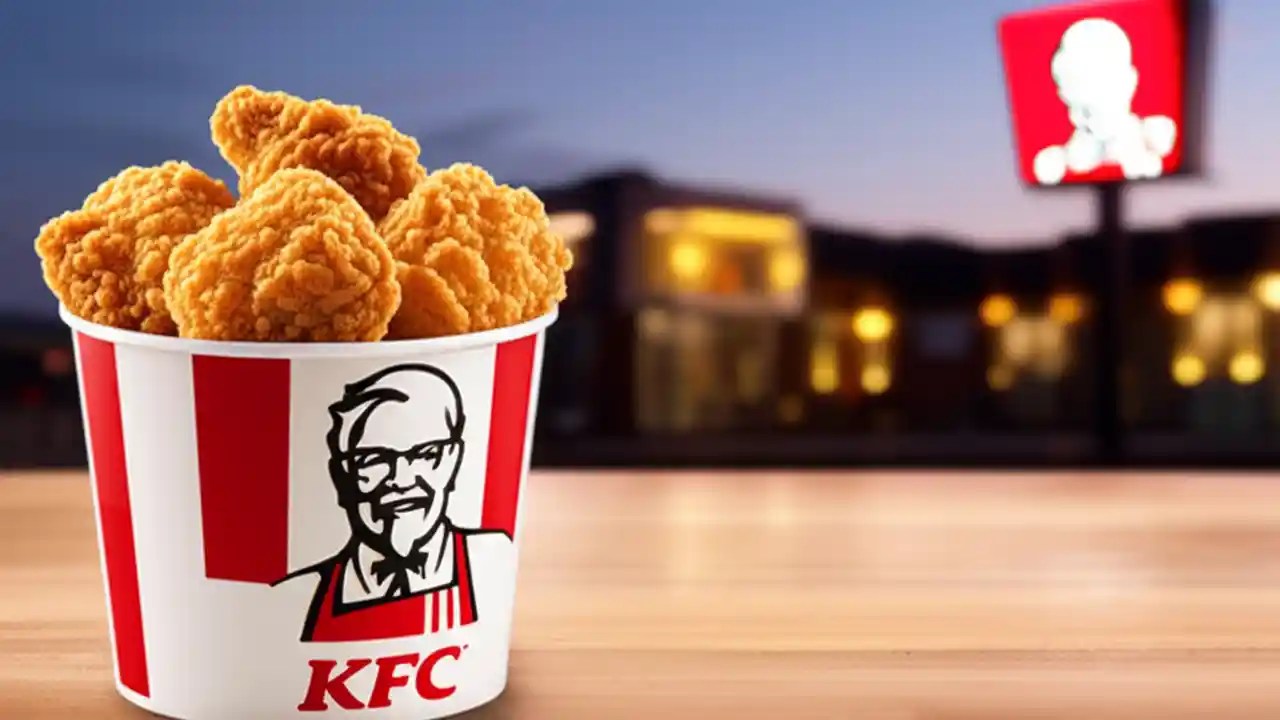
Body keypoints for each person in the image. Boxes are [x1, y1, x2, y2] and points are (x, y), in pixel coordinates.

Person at [278, 364, 510, 642]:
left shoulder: (490, 558)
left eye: (426, 454)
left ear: (452, 462)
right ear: (341, 478)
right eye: (373, 460)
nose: (401, 479)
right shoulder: (298, 593)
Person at [1032, 17, 1177, 185]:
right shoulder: (1075, 152)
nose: (1091, 107)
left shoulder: (1148, 134)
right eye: (1076, 87)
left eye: (1102, 84)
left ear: (1129, 82)